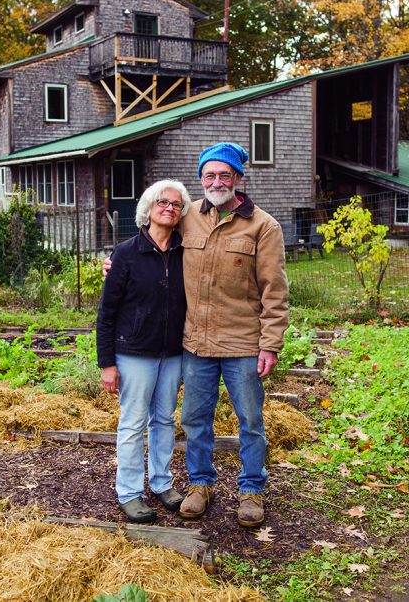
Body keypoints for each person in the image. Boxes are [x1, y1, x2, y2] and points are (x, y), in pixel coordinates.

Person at [176, 142, 289, 529]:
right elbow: (152, 241)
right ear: (201, 179)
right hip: (197, 344)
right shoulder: (187, 215)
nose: (217, 181)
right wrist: (115, 261)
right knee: (194, 418)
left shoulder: (263, 226)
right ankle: (200, 484)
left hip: (243, 344)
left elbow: (275, 290)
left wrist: (270, 344)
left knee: (250, 420)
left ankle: (252, 489)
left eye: (225, 174)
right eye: (210, 175)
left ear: (238, 178)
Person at [96, 180, 192, 523]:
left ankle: (162, 483)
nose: (169, 208)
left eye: (176, 205)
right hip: (134, 354)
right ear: (149, 208)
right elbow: (106, 312)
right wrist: (107, 363)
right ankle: (130, 493)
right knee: (134, 423)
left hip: (171, 353)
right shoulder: (126, 253)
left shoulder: (186, 252)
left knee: (165, 420)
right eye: (162, 202)